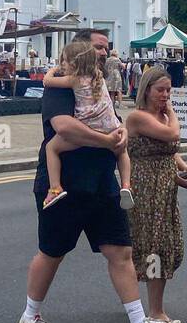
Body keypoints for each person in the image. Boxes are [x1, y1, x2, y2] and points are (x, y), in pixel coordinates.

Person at [18, 28, 180, 323]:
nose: (104, 54)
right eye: (98, 48)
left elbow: (109, 119)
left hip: (103, 183)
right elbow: (63, 127)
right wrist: (106, 140)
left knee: (120, 252)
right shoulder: (63, 84)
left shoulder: (99, 82)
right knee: (53, 252)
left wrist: (119, 133)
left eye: (106, 49)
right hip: (65, 184)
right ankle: (30, 317)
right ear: (80, 50)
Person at [125, 66, 187, 323]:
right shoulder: (138, 117)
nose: (166, 95)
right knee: (153, 248)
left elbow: (170, 150)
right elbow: (172, 136)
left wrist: (184, 166)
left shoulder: (162, 116)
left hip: (165, 187)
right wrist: (172, 115)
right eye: (160, 90)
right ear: (146, 90)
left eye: (168, 90)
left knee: (167, 246)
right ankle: (155, 311)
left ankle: (134, 300)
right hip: (146, 189)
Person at [41, 41, 133, 211]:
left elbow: (47, 81)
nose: (62, 65)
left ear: (74, 64)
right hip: (110, 125)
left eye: (64, 61)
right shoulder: (98, 76)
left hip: (88, 126)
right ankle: (126, 185)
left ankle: (55, 188)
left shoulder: (74, 79)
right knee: (122, 151)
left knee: (52, 148)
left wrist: (53, 70)